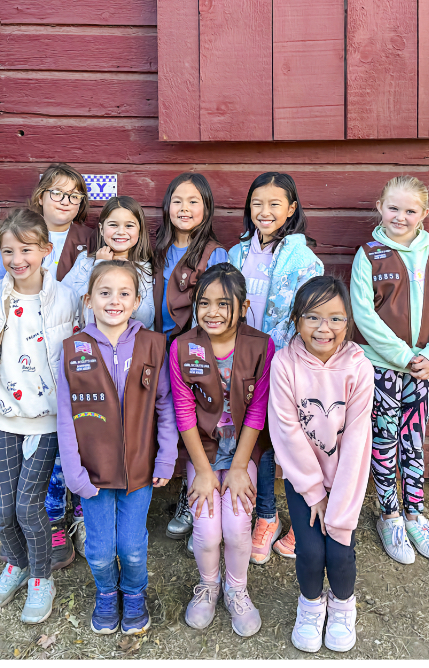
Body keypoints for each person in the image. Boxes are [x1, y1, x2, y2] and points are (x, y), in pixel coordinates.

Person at [56, 260, 177, 635]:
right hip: (92, 470)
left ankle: (134, 594)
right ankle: (107, 594)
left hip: (139, 469)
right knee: (100, 548)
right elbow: (65, 414)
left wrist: (166, 456)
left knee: (132, 546)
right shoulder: (74, 349)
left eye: (124, 293)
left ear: (137, 300)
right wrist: (74, 473)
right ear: (89, 300)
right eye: (104, 293)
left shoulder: (153, 345)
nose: (114, 301)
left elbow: (165, 405)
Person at [0, 208, 79, 624]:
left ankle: (41, 577)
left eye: (27, 250)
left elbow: (76, 356)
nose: (18, 259)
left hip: (47, 420)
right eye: (8, 251)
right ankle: (15, 564)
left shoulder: (66, 299)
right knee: (2, 508)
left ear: (45, 251)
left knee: (28, 506)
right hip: (4, 417)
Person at [350, 176, 429, 565]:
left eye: (410, 210)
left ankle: (414, 512)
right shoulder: (369, 254)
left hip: (424, 370)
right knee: (384, 440)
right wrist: (401, 355)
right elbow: (363, 313)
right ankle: (389, 514)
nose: (400, 216)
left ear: (424, 214)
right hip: (382, 367)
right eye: (393, 208)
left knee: (413, 439)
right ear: (380, 207)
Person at [0, 163, 96, 572]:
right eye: (57, 193)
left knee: (79, 438)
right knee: (44, 452)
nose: (65, 201)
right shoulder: (18, 237)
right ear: (40, 196)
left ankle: (83, 517)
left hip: (71, 345)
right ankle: (54, 520)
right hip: (26, 360)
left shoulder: (90, 239)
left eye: (74, 195)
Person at [268, 276, 374, 653]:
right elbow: (286, 431)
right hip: (303, 480)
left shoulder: (359, 369)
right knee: (310, 551)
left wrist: (339, 504)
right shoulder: (284, 364)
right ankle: (311, 605)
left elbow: (358, 441)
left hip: (346, 479)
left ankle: (343, 605)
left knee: (340, 549)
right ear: (297, 320)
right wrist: (314, 493)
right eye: (313, 318)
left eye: (335, 319)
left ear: (348, 322)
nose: (323, 328)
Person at [225, 171, 323, 565]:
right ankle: (267, 515)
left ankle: (307, 520)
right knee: (258, 442)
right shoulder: (237, 254)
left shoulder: (304, 260)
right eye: (257, 204)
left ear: (291, 209)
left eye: (274, 205)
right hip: (241, 363)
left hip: (283, 365)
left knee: (295, 442)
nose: (264, 212)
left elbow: (311, 318)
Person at [170, 264, 273, 636]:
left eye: (223, 304)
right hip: (205, 452)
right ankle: (209, 585)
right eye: (204, 303)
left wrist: (241, 467)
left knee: (237, 528)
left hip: (244, 453)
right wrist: (201, 471)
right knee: (207, 530)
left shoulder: (261, 346)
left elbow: (258, 409)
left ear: (243, 307)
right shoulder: (182, 347)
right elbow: (183, 412)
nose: (211, 312)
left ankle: (237, 588)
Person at [153, 172, 230, 542]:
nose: (184, 208)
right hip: (154, 347)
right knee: (163, 421)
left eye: (193, 201)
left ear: (206, 208)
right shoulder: (153, 249)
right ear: (167, 206)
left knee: (197, 426)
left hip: (193, 352)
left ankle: (193, 498)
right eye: (178, 200)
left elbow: (218, 308)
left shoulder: (215, 253)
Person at [61, 195, 157, 331]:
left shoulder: (143, 268)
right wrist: (99, 267)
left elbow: (146, 318)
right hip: (91, 342)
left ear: (139, 230)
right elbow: (64, 300)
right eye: (113, 225)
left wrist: (129, 277)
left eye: (129, 225)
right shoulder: (85, 261)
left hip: (128, 345)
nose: (121, 232)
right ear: (101, 229)